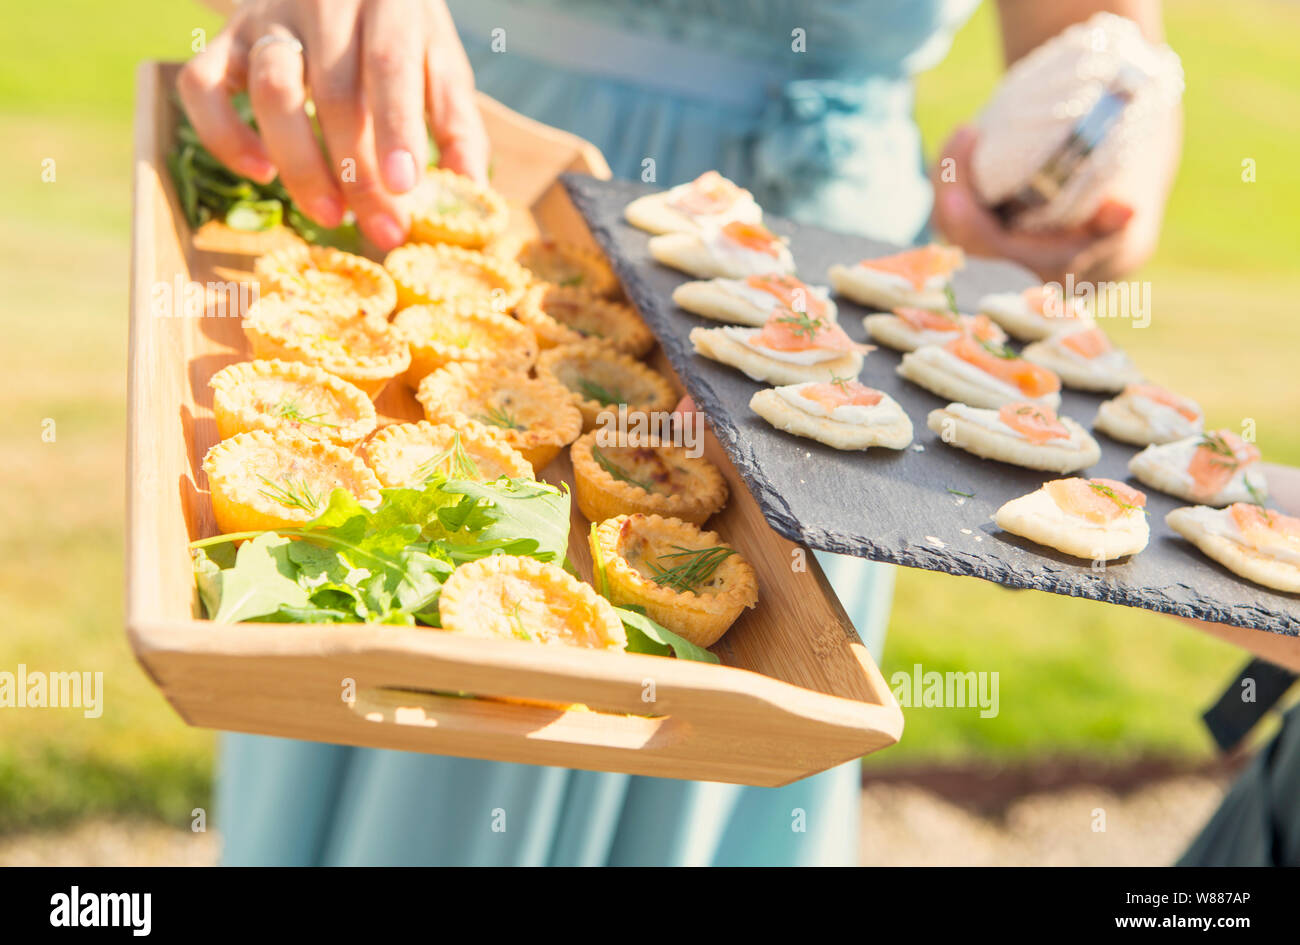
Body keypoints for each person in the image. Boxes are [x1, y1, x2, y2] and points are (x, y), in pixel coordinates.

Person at [181, 0, 1181, 865]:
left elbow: (1108, 52)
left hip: (805, 319)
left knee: (735, 716)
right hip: (478, 168)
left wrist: (1078, 200)